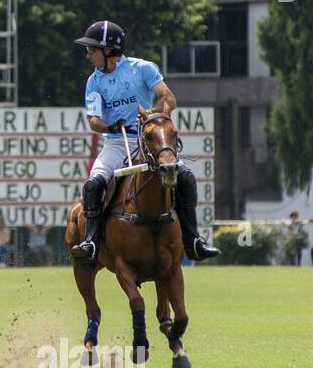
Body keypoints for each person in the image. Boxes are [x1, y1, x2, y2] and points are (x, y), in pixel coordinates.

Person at [67, 22, 219, 262]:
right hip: (117, 143)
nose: (88, 55)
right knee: (93, 185)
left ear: (108, 50)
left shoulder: (143, 69)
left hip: (148, 141)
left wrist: (150, 115)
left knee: (186, 177)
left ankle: (193, 240)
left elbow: (168, 98)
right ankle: (92, 243)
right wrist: (111, 126)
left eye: (92, 49)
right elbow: (94, 121)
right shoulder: (94, 81)